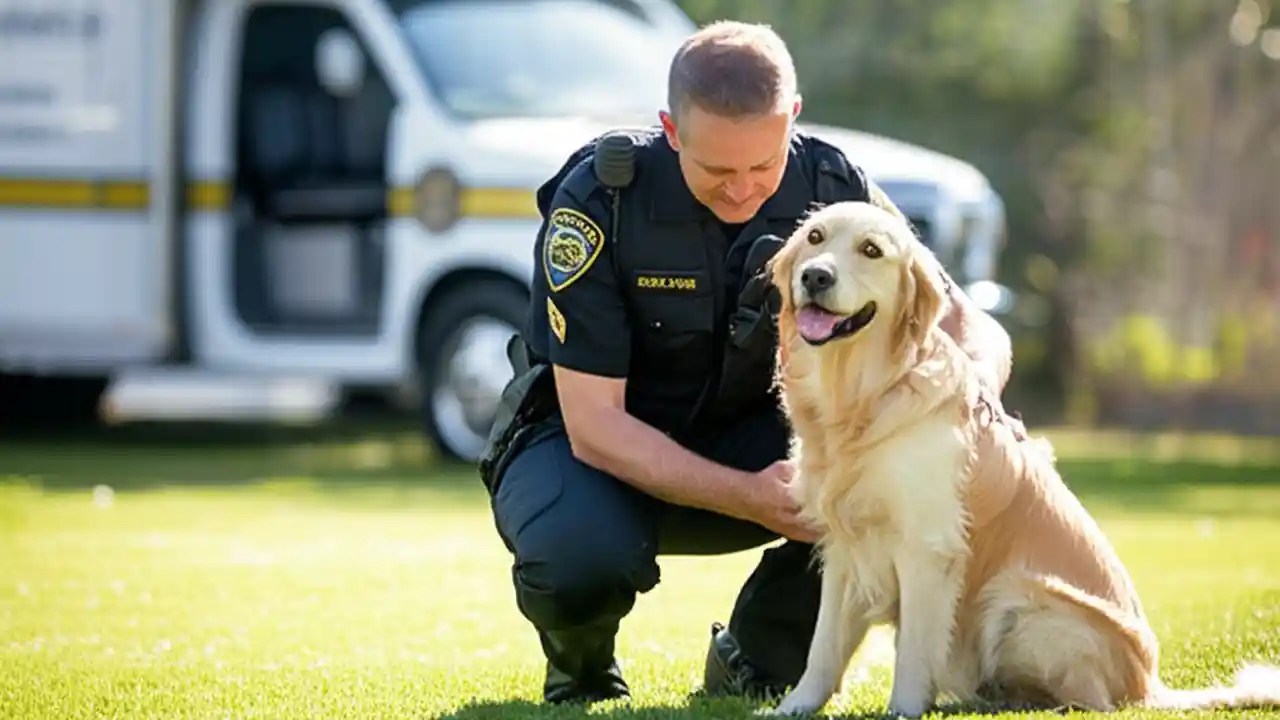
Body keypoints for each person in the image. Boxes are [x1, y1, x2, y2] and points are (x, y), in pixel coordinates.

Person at [476, 20, 1013, 705]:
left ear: (792, 118)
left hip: (764, 436)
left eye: (763, 166)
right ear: (672, 130)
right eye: (717, 170)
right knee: (575, 555)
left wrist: (976, 403)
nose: (743, 191)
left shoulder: (829, 180)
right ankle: (581, 664)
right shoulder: (599, 199)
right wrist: (750, 494)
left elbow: (965, 323)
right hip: (600, 451)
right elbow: (594, 426)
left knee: (900, 470)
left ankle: (757, 657)